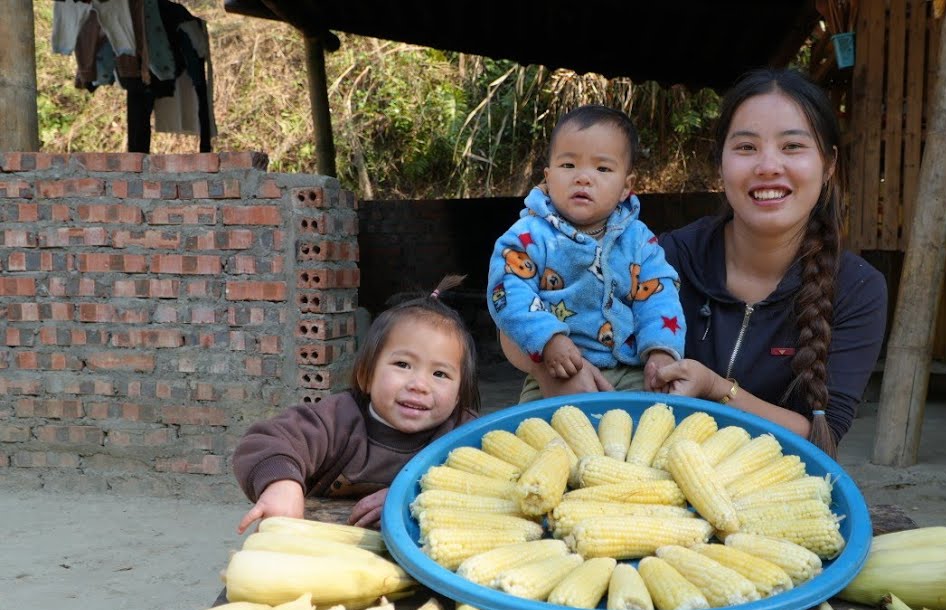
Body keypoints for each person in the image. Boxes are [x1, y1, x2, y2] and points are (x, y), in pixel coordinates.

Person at [511, 69, 888, 457]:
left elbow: (822, 437)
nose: (768, 166)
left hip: (771, 485)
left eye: (792, 146)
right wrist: (549, 369)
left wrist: (716, 390)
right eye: (746, 147)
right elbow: (515, 311)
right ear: (720, 163)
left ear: (828, 165)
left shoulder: (857, 288)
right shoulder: (666, 255)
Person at [233, 276, 480, 532]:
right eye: (402, 365)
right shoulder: (337, 419)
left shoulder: (464, 436)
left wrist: (413, 497)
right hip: (320, 552)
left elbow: (490, 492)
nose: (419, 384)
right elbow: (265, 441)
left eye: (440, 374)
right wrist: (281, 483)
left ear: (459, 394)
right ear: (366, 375)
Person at [487, 104, 687, 403]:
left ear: (626, 187)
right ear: (548, 175)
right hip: (556, 372)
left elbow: (659, 294)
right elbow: (508, 291)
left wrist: (661, 350)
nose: (583, 177)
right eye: (568, 166)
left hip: (630, 370)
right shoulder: (529, 235)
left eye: (602, 168)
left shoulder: (639, 240)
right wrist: (549, 339)